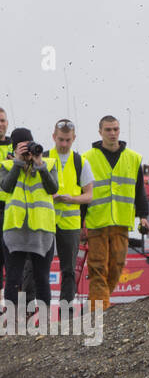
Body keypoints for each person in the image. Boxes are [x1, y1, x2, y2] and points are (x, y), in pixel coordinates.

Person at [83, 116, 149, 311]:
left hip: (121, 222)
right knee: (97, 268)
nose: (112, 133)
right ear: (100, 132)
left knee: (116, 268)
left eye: (116, 129)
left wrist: (143, 216)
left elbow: (139, 190)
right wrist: (80, 224)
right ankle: (99, 310)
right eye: (108, 130)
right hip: (97, 222)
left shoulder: (133, 158)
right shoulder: (87, 158)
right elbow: (83, 190)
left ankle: (97, 303)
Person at [0, 128, 59, 311]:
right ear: (15, 148)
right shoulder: (7, 165)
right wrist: (17, 162)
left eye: (29, 145)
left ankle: (44, 322)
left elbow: (52, 188)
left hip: (41, 231)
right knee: (13, 277)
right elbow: (7, 187)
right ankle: (11, 320)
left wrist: (39, 164)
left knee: (41, 277)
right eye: (22, 147)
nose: (27, 151)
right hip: (15, 231)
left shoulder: (48, 164)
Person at [45, 120, 94, 306]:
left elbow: (89, 196)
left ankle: (66, 309)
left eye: (67, 140)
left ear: (74, 138)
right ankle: (35, 308)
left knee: (68, 269)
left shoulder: (81, 162)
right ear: (53, 137)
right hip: (44, 220)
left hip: (70, 224)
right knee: (37, 267)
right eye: (60, 140)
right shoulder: (43, 158)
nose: (64, 144)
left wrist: (71, 199)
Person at [0, 107, 13, 290]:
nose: (0, 124)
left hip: (11, 209)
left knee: (11, 259)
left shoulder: (16, 146)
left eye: (2, 120)